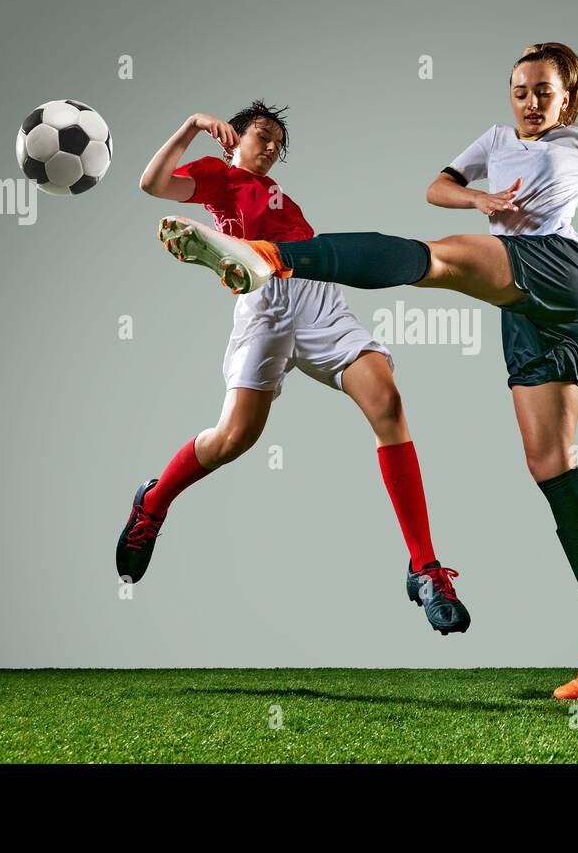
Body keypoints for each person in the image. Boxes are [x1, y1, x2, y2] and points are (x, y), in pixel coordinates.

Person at [158, 45, 578, 698]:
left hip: (557, 266)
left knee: (437, 261)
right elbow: (438, 186)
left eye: (543, 91)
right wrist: (478, 200)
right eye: (520, 90)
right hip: (522, 303)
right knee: (551, 463)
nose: (530, 102)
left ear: (569, 97)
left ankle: (273, 258)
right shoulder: (496, 139)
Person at [117, 101, 470, 636]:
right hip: (265, 304)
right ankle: (153, 502)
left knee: (388, 404)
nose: (272, 147)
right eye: (262, 135)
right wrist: (191, 124)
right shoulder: (218, 176)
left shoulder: (283, 196)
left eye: (278, 143)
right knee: (234, 439)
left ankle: (424, 568)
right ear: (232, 139)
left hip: (315, 293)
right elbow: (152, 183)